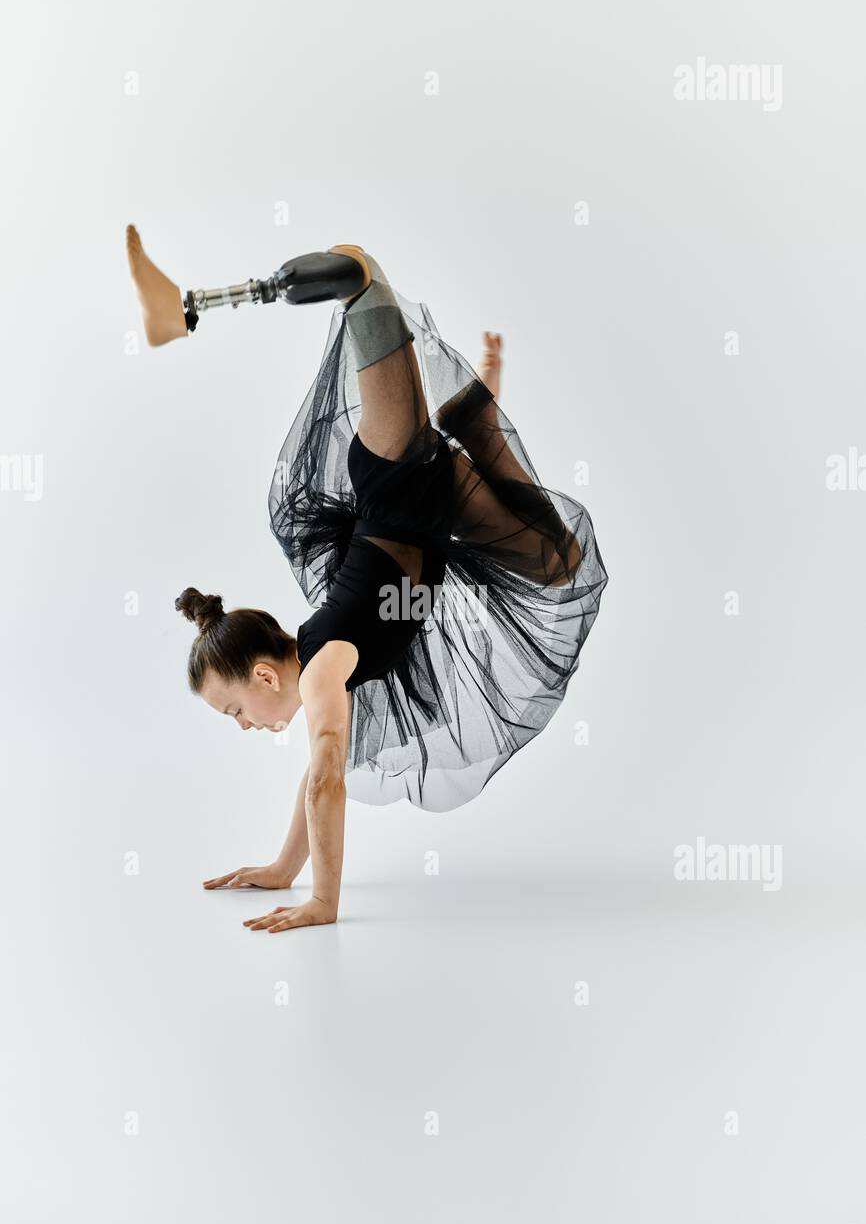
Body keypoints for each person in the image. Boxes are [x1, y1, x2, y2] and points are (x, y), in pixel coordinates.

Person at [126, 227, 608, 933]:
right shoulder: (326, 665)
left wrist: (323, 900)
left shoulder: (323, 672)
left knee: (360, 278)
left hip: (397, 475)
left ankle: (185, 306)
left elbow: (326, 779)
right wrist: (285, 869)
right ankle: (474, 420)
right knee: (560, 565)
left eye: (233, 710)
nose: (243, 727)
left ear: (263, 677)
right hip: (431, 504)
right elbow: (313, 780)